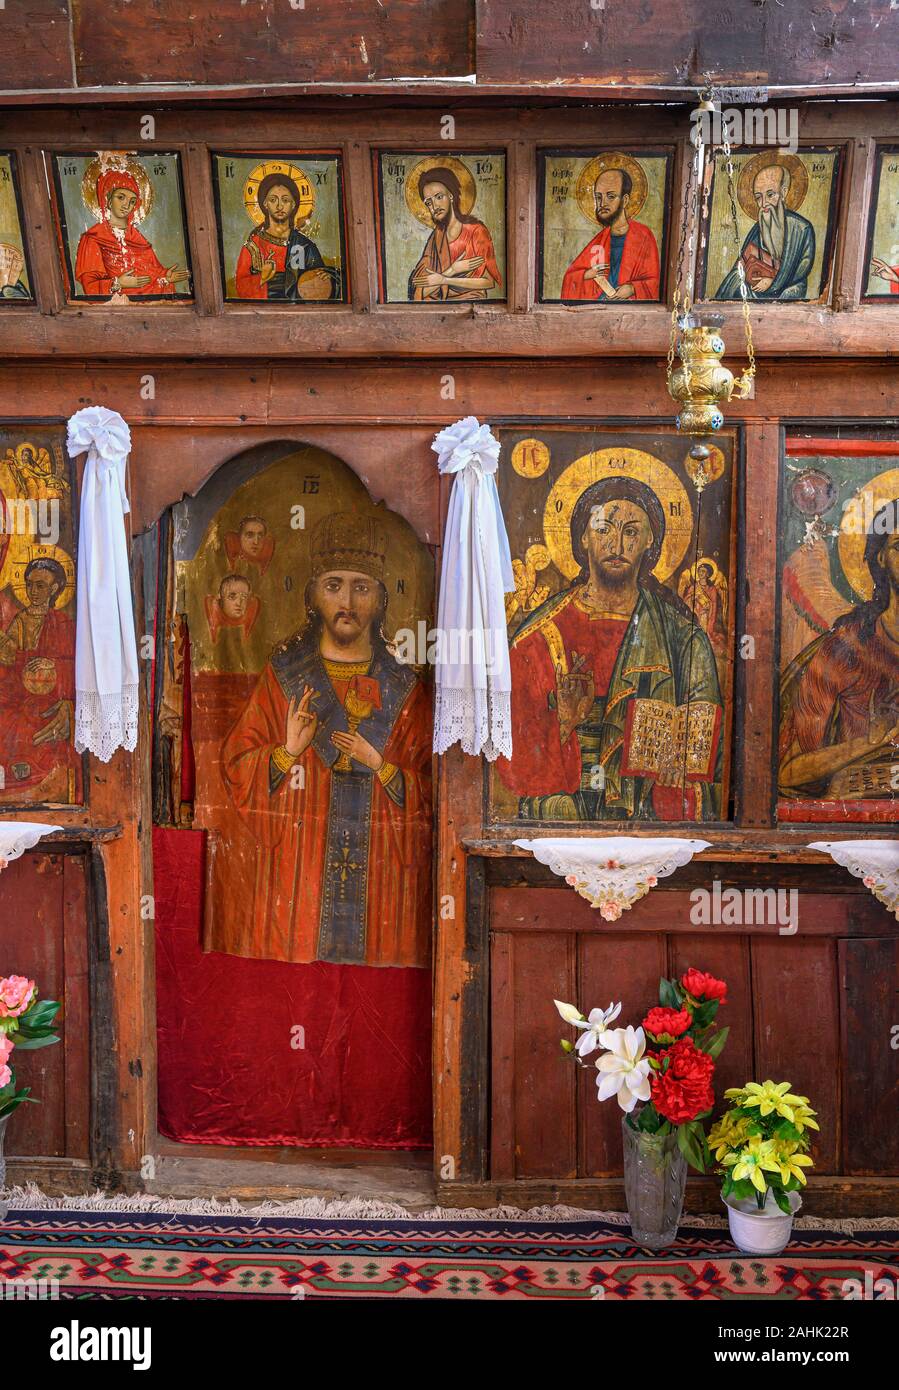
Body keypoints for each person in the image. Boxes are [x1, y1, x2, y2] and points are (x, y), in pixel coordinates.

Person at [212, 512, 432, 965]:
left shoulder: (407, 690)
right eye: (333, 585)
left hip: (380, 888)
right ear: (314, 595)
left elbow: (440, 792)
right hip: (299, 881)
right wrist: (285, 753)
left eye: (361, 586)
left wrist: (383, 767)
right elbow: (234, 767)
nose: (347, 600)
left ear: (381, 597)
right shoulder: (284, 677)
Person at [496, 477, 723, 820]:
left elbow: (705, 734)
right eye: (604, 529)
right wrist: (564, 721)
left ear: (650, 541)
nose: (617, 543)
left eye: (631, 532)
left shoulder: (681, 636)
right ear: (584, 537)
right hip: (563, 797)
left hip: (645, 802)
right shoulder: (542, 633)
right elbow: (511, 749)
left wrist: (682, 756)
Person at [779, 500, 899, 799]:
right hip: (857, 809)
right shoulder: (848, 646)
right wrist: (869, 743)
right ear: (881, 557)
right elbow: (789, 771)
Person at [0, 557, 77, 802]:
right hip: (20, 696)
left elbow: (73, 663)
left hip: (51, 698)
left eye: (41, 586)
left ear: (54, 589)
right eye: (30, 585)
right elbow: (8, 666)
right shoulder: (20, 621)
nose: (34, 591)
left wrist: (52, 666)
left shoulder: (63, 622)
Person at [74, 169, 189, 299]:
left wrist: (165, 278)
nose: (127, 205)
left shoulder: (137, 238)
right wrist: (118, 283)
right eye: (121, 197)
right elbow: (90, 287)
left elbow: (152, 274)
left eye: (132, 201)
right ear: (108, 199)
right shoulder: (92, 238)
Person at [715, 163, 814, 301]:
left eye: (770, 195)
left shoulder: (802, 228)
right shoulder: (758, 228)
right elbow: (741, 265)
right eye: (758, 197)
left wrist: (772, 280)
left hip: (787, 288)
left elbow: (802, 269)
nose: (763, 204)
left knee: (791, 294)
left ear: (783, 193)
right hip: (757, 287)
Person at [235, 173, 339, 301]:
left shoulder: (305, 246)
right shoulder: (252, 248)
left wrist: (326, 278)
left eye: (285, 200)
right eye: (273, 200)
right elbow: (240, 289)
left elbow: (321, 287)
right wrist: (263, 278)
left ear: (293, 204)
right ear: (265, 204)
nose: (279, 206)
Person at [561, 167, 660, 301]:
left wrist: (632, 289)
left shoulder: (643, 236)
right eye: (598, 197)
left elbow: (654, 282)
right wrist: (588, 274)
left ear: (625, 201)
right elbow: (570, 277)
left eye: (611, 196)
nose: (602, 203)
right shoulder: (599, 240)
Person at [408, 167, 502, 301]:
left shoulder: (476, 231)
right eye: (429, 203)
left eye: (439, 197)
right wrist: (451, 271)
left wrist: (444, 280)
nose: (434, 206)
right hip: (441, 305)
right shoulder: (437, 237)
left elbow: (488, 282)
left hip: (470, 304)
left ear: (451, 196)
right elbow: (419, 291)